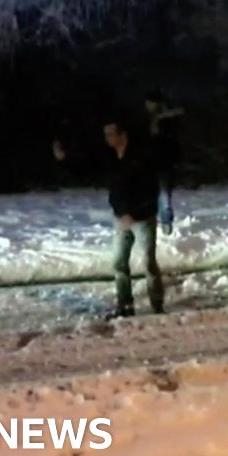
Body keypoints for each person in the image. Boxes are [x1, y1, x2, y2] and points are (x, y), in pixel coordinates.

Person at [54, 117, 165, 318]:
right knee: (119, 263)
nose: (107, 138)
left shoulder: (140, 158)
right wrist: (65, 159)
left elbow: (150, 188)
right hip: (120, 219)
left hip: (142, 218)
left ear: (123, 135)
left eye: (111, 134)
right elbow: (87, 166)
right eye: (106, 134)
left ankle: (157, 305)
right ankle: (125, 305)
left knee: (148, 262)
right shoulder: (110, 157)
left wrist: (135, 212)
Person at [144, 89, 185, 235]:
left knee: (163, 194)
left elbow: (172, 142)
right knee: (154, 195)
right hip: (150, 164)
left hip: (162, 163)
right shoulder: (148, 120)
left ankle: (165, 222)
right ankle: (156, 222)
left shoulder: (166, 120)